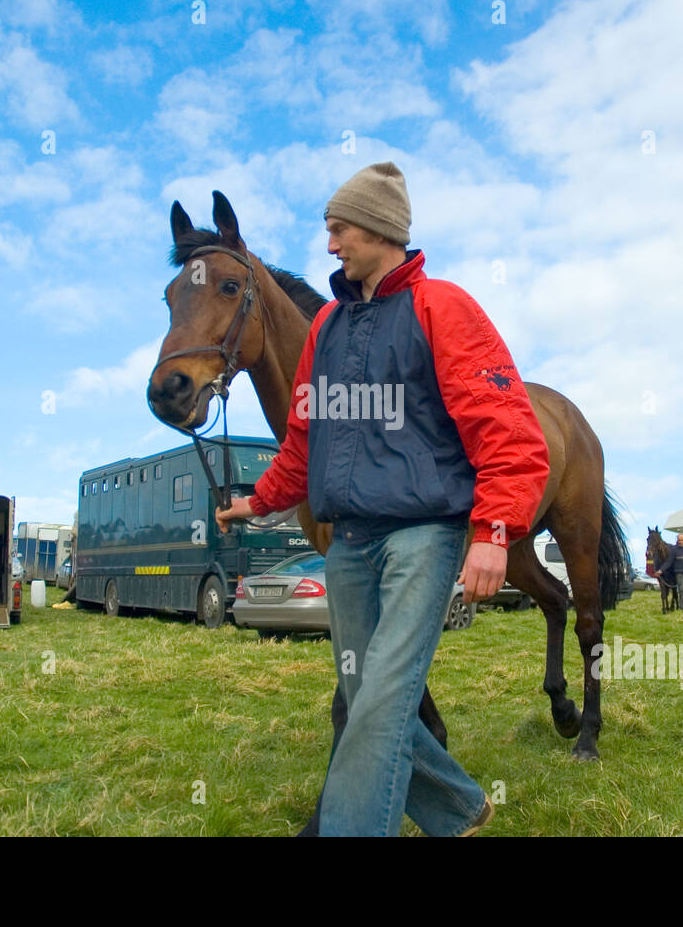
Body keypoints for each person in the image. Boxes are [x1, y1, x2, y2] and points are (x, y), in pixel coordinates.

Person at [214, 161, 550, 837]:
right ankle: (458, 807)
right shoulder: (328, 329)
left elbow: (507, 428)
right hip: (350, 542)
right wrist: (262, 500)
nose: (330, 244)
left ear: (380, 230)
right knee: (364, 691)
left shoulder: (443, 307)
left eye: (339, 229)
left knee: (382, 698)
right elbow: (305, 436)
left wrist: (492, 532)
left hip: (423, 534)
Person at [658, 533, 683, 610]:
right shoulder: (674, 550)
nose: (680, 542)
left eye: (681, 540)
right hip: (679, 573)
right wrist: (661, 570)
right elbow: (668, 562)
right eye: (678, 540)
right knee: (682, 590)